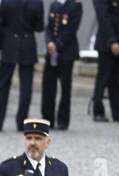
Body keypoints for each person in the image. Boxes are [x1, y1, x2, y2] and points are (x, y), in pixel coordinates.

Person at [0, 0, 45, 132]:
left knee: (2, 85)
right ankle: (21, 123)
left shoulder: (7, 1)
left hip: (9, 44)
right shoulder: (36, 3)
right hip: (28, 44)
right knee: (26, 88)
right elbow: (39, 27)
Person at [42, 0, 83, 130]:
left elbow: (71, 29)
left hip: (66, 52)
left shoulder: (75, 5)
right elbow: (49, 27)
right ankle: (48, 118)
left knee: (65, 87)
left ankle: (63, 120)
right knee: (48, 85)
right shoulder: (54, 5)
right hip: (51, 52)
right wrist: (49, 42)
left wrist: (57, 44)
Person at [92, 0, 119, 123]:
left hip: (118, 40)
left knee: (115, 78)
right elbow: (103, 18)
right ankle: (98, 111)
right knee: (103, 78)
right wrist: (112, 40)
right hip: (107, 43)